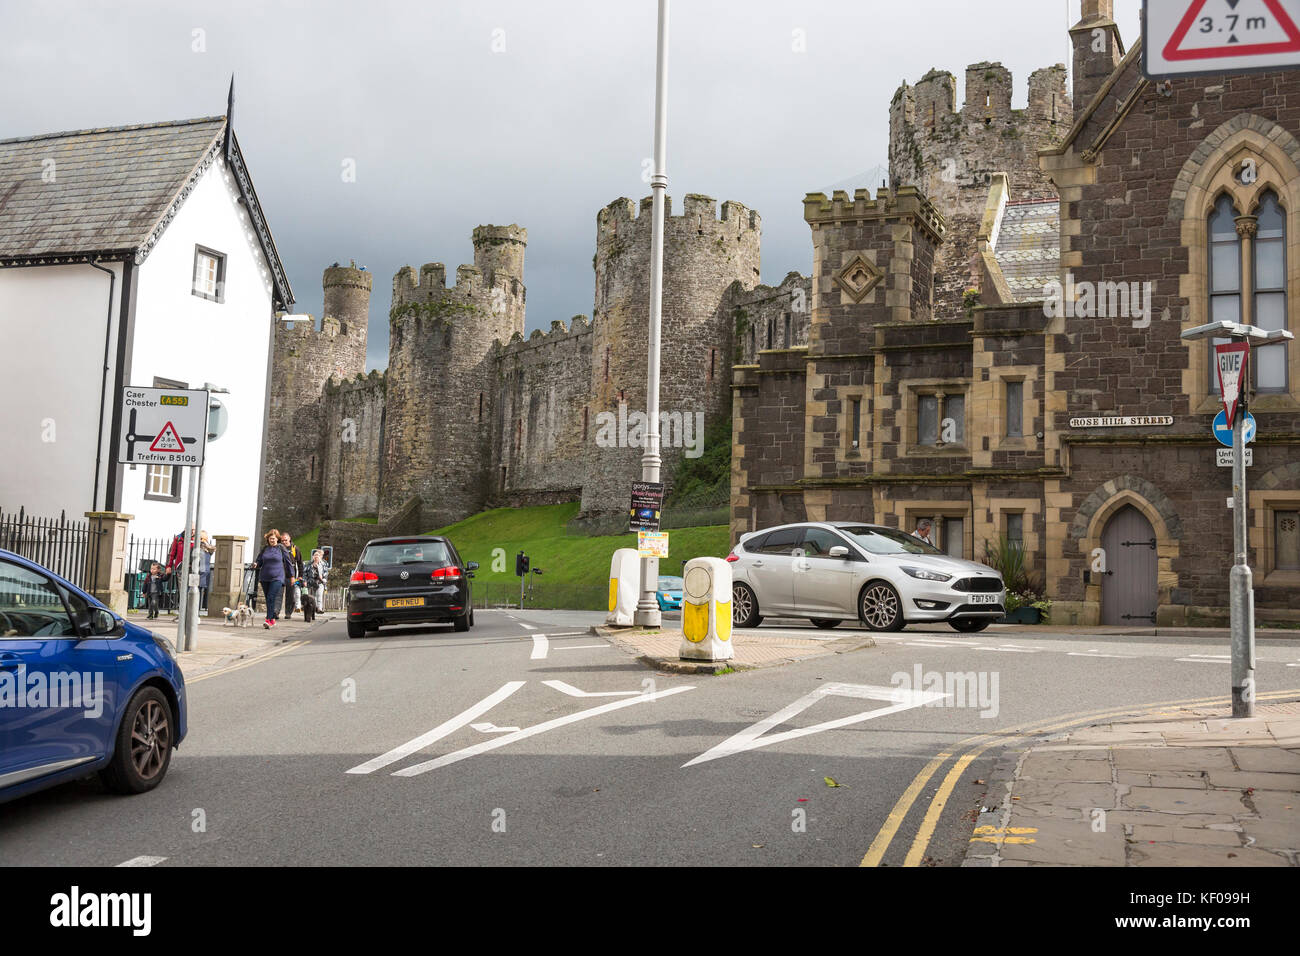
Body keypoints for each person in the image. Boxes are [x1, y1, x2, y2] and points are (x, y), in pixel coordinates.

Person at [252, 529, 292, 628]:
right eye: (270, 539)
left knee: (271, 596)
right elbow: (259, 561)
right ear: (268, 539)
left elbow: (288, 563)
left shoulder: (281, 548)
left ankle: (268, 619)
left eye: (273, 538)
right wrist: (255, 564)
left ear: (277, 539)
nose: (272, 540)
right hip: (265, 577)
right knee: (269, 599)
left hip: (277, 577)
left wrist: (291, 576)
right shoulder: (265, 549)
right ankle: (272, 620)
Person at [280, 532, 304, 618]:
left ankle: (288, 613)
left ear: (289, 539)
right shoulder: (279, 548)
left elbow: (300, 563)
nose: (284, 542)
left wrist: (300, 575)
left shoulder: (295, 549)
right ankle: (276, 612)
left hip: (291, 575)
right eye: (282, 540)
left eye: (285, 540)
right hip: (280, 574)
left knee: (290, 595)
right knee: (278, 593)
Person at [198, 531, 215, 611]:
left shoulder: (200, 548)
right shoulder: (208, 549)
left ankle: (196, 610)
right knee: (201, 591)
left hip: (200, 571)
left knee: (197, 591)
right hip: (205, 571)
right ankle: (199, 609)